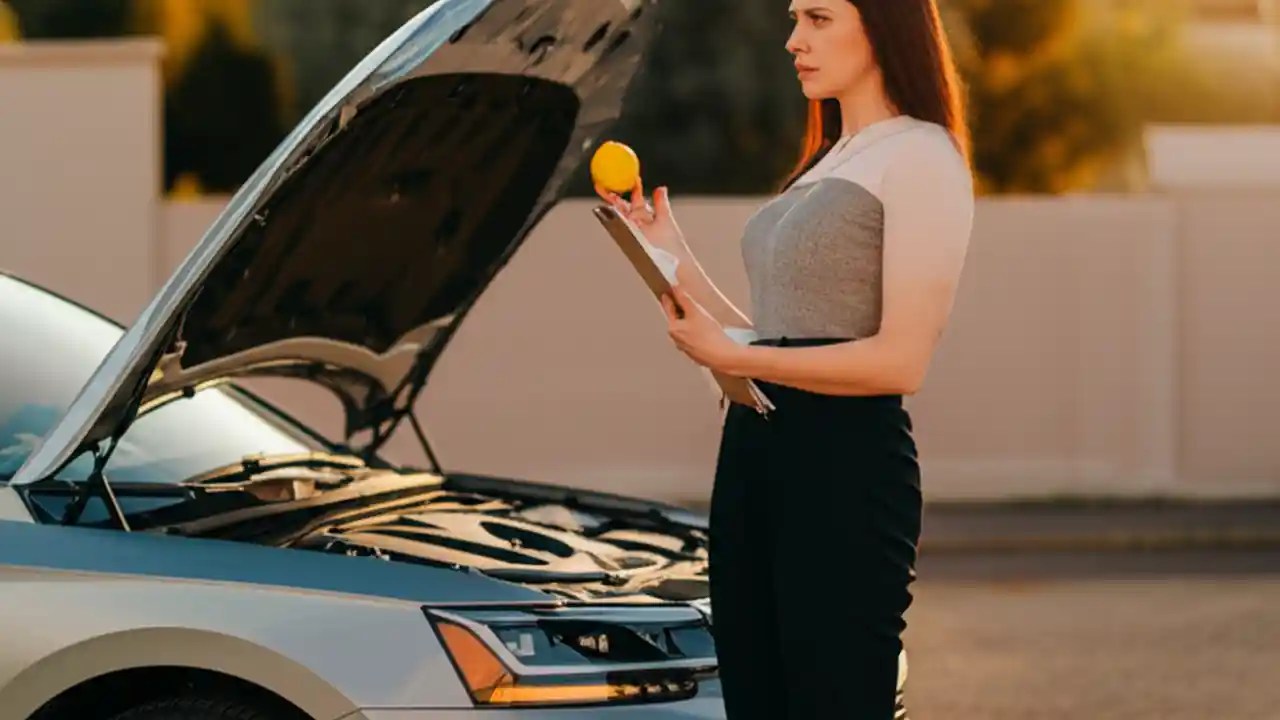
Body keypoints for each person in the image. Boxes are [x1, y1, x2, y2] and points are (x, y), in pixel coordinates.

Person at [596, 0, 974, 716]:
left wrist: (741, 359)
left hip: (842, 473)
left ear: (885, 24)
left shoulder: (923, 155)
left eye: (819, 18)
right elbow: (779, 336)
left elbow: (901, 363)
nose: (793, 38)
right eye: (796, 17)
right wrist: (669, 255)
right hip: (754, 461)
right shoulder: (831, 157)